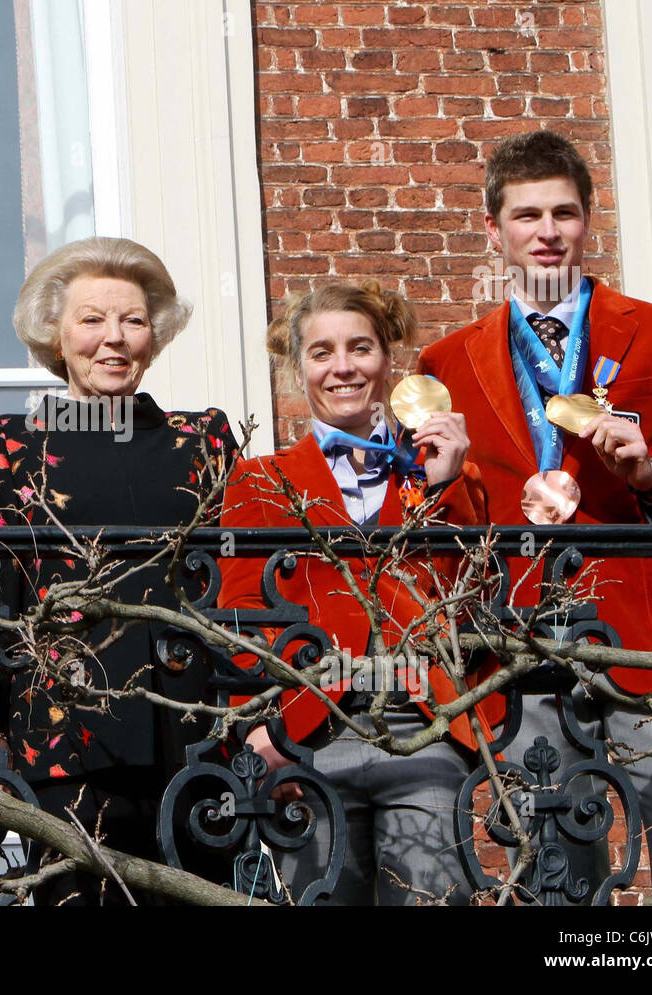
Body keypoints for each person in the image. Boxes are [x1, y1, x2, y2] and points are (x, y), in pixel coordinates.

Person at [418, 129, 652, 895]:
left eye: (564, 212)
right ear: (494, 231)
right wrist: (435, 488)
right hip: (522, 647)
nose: (547, 233)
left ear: (589, 220)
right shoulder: (446, 363)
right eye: (527, 216)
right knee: (555, 885)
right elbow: (441, 533)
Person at [0, 236, 238, 905]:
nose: (113, 338)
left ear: (155, 334)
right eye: (92, 319)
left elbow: (234, 576)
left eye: (133, 320)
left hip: (190, 729)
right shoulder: (8, 440)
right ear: (56, 334)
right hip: (64, 728)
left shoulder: (202, 438)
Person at [218, 281, 489, 905]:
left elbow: (469, 608)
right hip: (311, 735)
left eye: (360, 348)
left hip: (422, 729)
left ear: (388, 360)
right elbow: (239, 620)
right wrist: (264, 733)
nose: (342, 367)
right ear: (299, 368)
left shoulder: (441, 471)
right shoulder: (259, 480)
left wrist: (446, 490)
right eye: (321, 352)